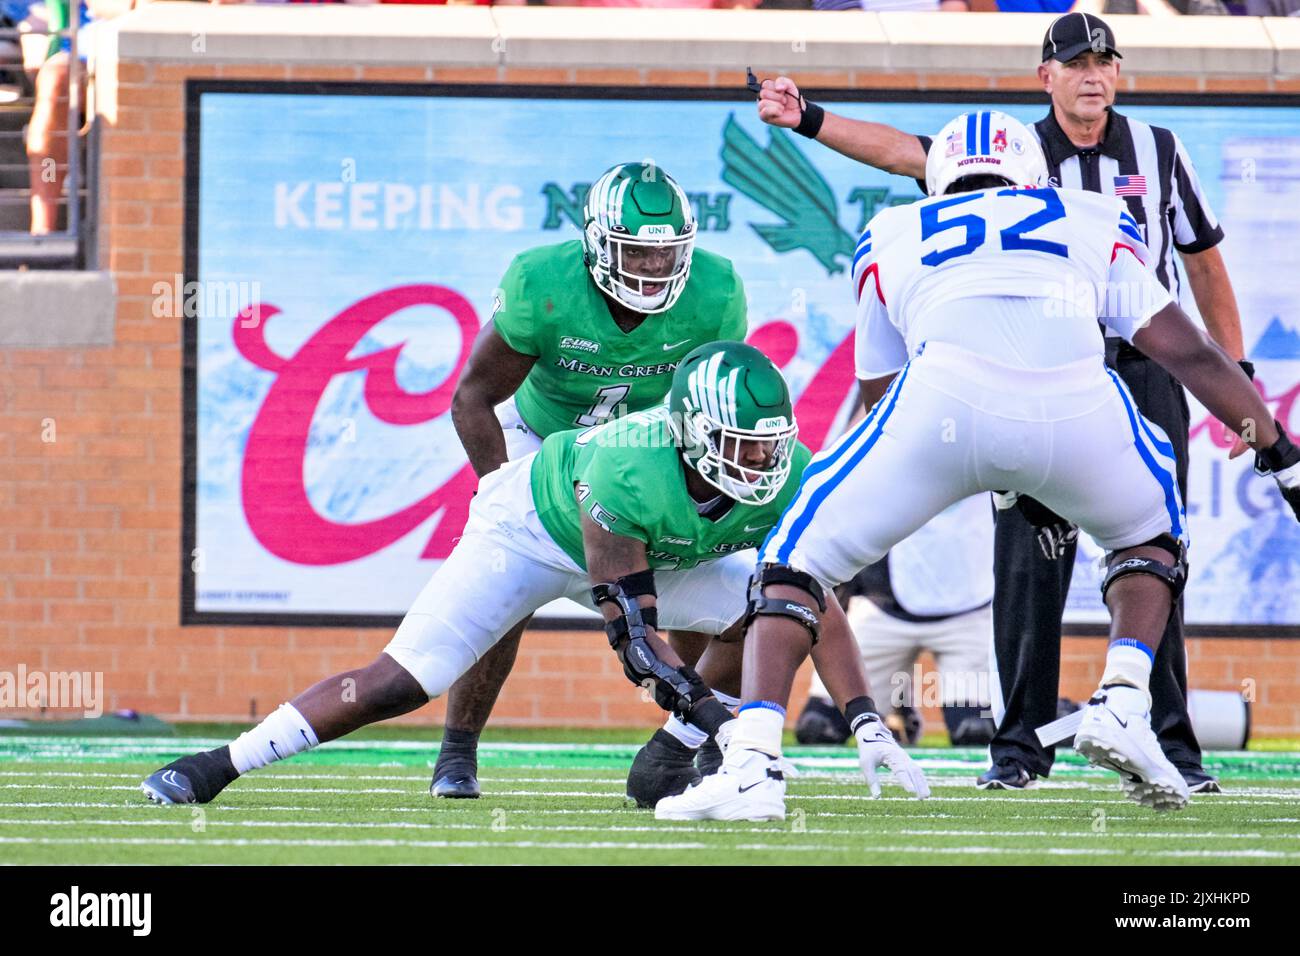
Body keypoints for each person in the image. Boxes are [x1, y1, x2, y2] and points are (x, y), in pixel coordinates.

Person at [655, 111, 1300, 822]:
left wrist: (933, 471)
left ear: (939, 179)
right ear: (1033, 172)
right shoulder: (1091, 216)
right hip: (1075, 406)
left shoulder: (893, 234)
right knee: (1150, 534)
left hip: (940, 404)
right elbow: (1190, 353)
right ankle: (1122, 696)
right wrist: (1279, 453)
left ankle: (752, 767)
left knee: (792, 563)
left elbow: (878, 389)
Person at [752, 11, 1246, 794]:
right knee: (1031, 568)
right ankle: (1020, 751)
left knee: (1155, 549)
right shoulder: (1013, 154)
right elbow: (905, 153)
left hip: (1144, 357)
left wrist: (1237, 375)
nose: (1093, 74)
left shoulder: (1157, 150)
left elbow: (1204, 263)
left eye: (1106, 61)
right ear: (1043, 77)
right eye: (1077, 62)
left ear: (1118, 72)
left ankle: (1169, 743)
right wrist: (809, 118)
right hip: (1045, 359)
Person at [140, 342, 926, 813]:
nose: (761, 462)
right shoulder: (628, 469)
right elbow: (640, 650)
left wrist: (862, 716)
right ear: (689, 434)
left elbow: (810, 604)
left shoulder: (787, 474)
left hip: (649, 552)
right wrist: (740, 732)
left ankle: (669, 754)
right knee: (399, 682)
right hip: (529, 533)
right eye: (740, 445)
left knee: (774, 601)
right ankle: (222, 764)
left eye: (769, 444)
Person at [432, 161, 747, 799]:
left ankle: (690, 743)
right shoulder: (542, 282)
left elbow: (714, 402)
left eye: (669, 255)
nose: (655, 270)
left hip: (649, 447)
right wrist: (504, 497)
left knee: (702, 570)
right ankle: (457, 753)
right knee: (506, 584)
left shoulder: (714, 291)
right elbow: (473, 399)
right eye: (637, 252)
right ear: (598, 244)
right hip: (545, 438)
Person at [795, 495, 995, 749]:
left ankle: (898, 702)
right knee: (819, 727)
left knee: (975, 730)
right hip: (882, 607)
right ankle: (896, 702)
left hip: (968, 609)